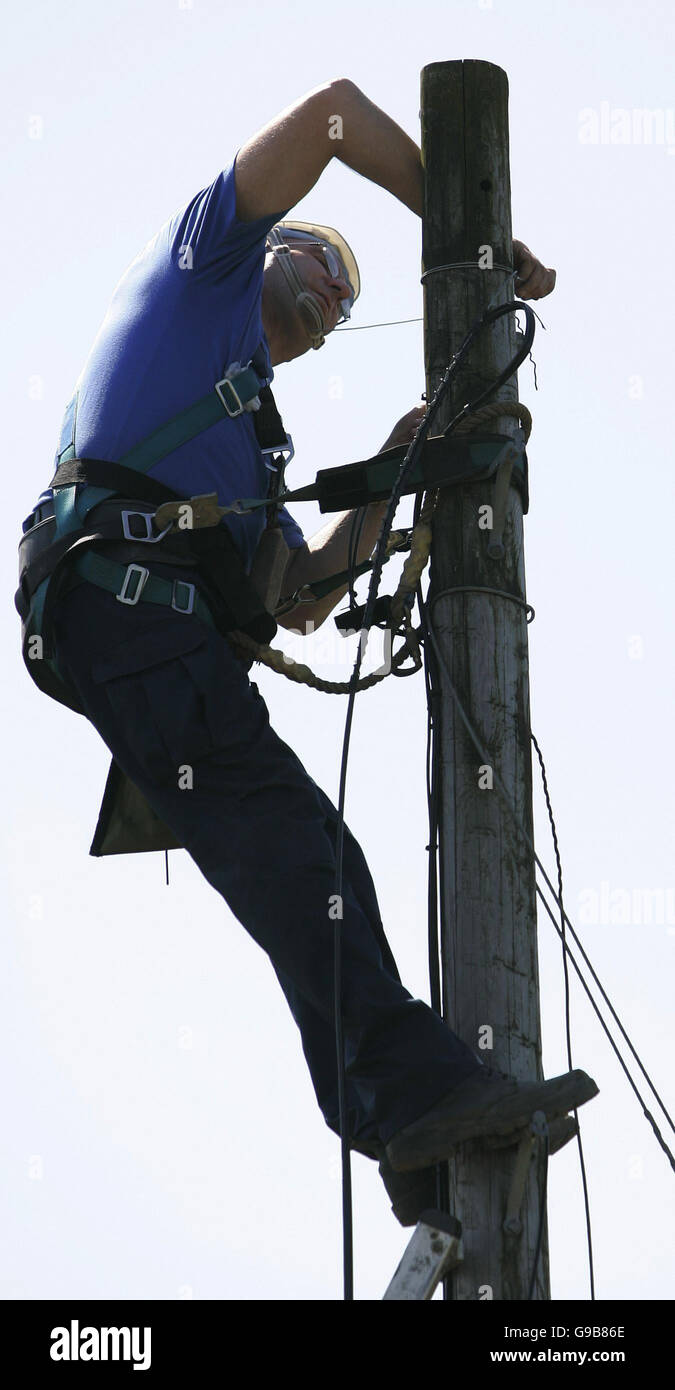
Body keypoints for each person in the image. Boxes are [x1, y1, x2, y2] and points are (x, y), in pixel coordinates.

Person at [20, 78, 597, 1225]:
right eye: (324, 261)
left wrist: (408, 455)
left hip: (148, 626)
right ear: (270, 244)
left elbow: (297, 595)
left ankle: (410, 1130)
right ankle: (413, 1098)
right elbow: (334, 115)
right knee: (305, 862)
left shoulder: (246, 457)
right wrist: (466, 227)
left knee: (308, 869)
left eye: (347, 297)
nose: (337, 292)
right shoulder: (204, 268)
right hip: (118, 600)